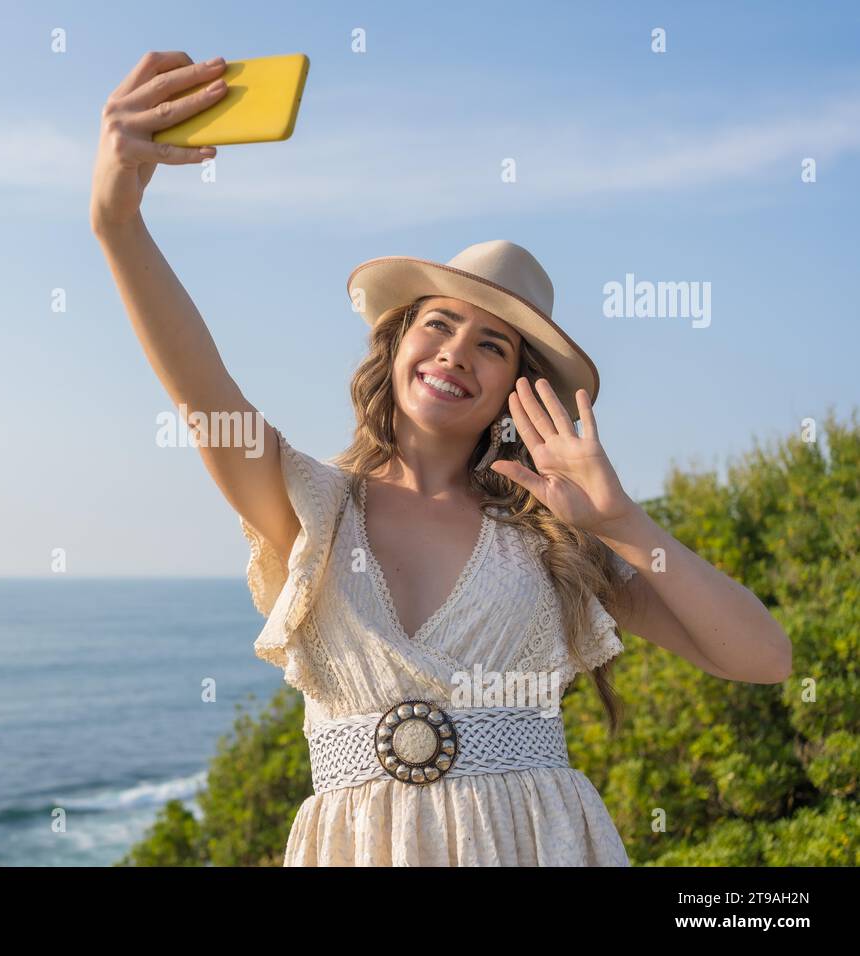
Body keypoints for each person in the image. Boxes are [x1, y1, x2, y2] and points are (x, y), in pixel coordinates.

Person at [89, 50, 793, 866]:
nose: (456, 352)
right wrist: (118, 221)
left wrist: (624, 523)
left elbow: (764, 658)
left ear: (513, 391)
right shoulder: (308, 506)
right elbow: (198, 383)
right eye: (437, 325)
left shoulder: (557, 539)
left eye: (491, 344)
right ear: (395, 347)